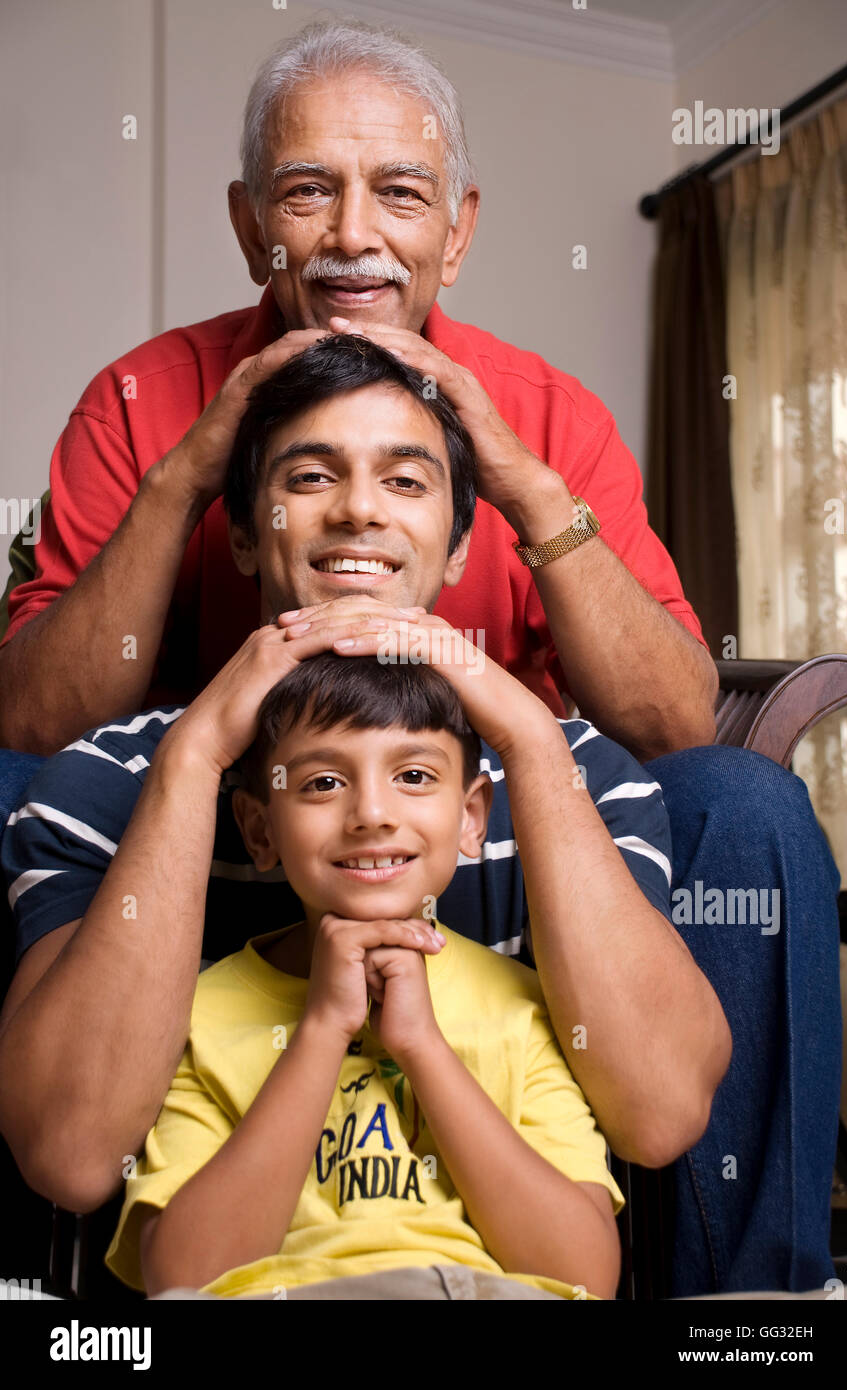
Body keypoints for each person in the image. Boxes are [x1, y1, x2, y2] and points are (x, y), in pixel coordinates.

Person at [0, 338, 736, 1296]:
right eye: (311, 476)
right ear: (238, 535)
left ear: (461, 544)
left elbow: (660, 1111)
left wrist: (526, 736)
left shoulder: (575, 773)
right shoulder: (108, 780)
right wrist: (194, 758)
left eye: (405, 480)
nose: (357, 509)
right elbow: (70, 1152)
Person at [0, 19, 717, 760]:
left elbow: (674, 729)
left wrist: (533, 495)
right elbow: (31, 732)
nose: (352, 235)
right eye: (308, 191)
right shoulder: (133, 402)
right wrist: (180, 481)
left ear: (455, 234)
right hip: (189, 814)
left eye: (400, 193)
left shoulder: (553, 417)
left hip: (484, 817)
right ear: (252, 230)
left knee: (740, 796)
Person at [106, 653, 625, 1302]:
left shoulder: (523, 1004)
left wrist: (423, 1049)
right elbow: (180, 1278)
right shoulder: (198, 1013)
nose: (371, 814)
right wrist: (322, 1029)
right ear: (259, 829)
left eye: (412, 775)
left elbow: (584, 1275)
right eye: (322, 783)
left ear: (470, 817)